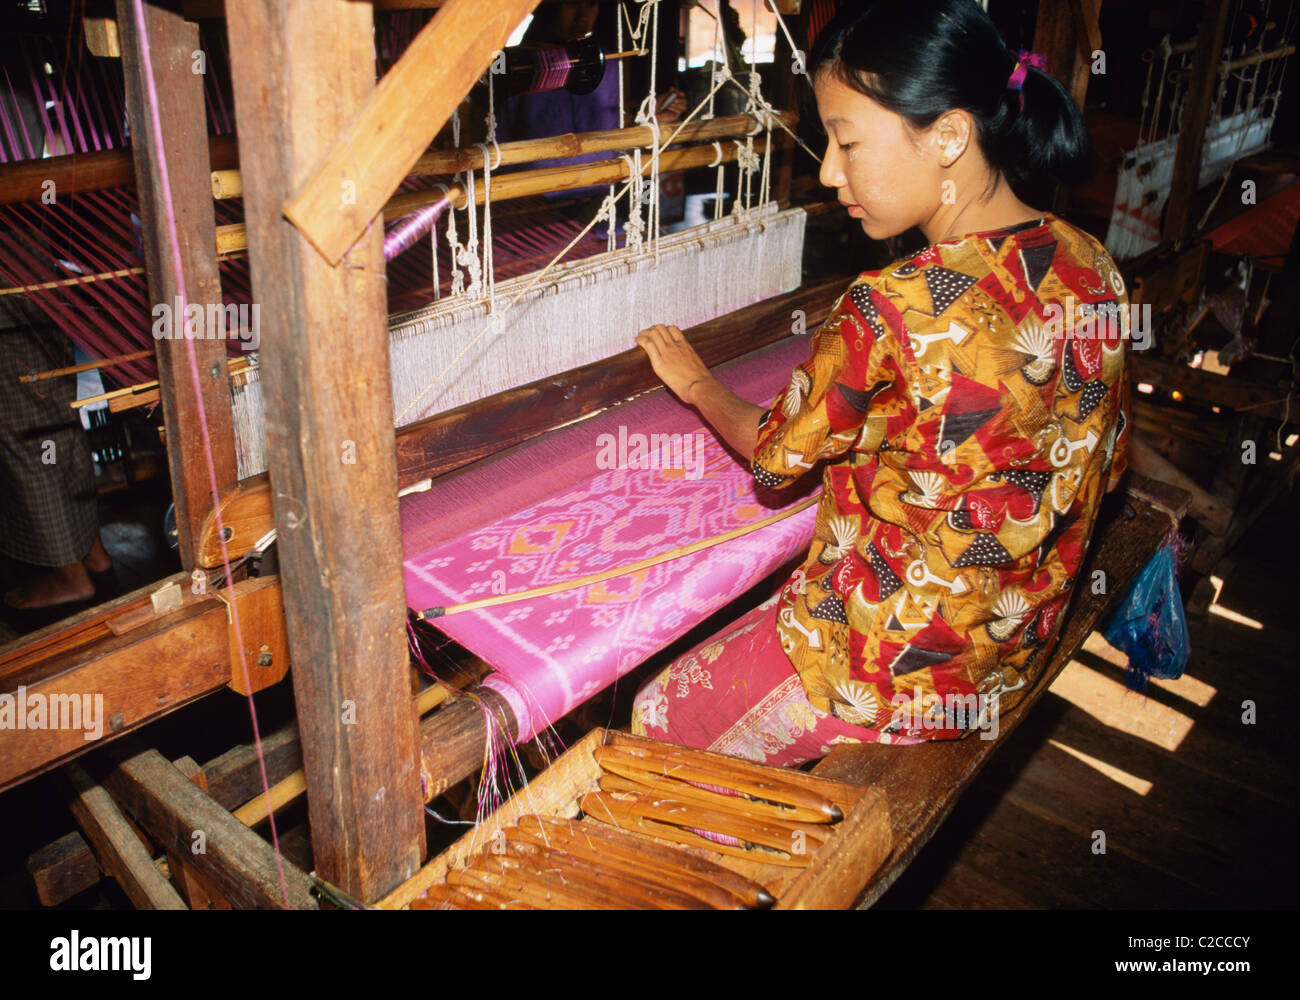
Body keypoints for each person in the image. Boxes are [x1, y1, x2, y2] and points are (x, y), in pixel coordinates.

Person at [631, 0, 1131, 767]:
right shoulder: (1090, 261)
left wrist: (697, 382)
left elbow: (773, 457)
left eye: (846, 139)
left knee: (654, 711)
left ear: (950, 137)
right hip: (1011, 645)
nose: (829, 171)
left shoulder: (893, 303)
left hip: (893, 675)